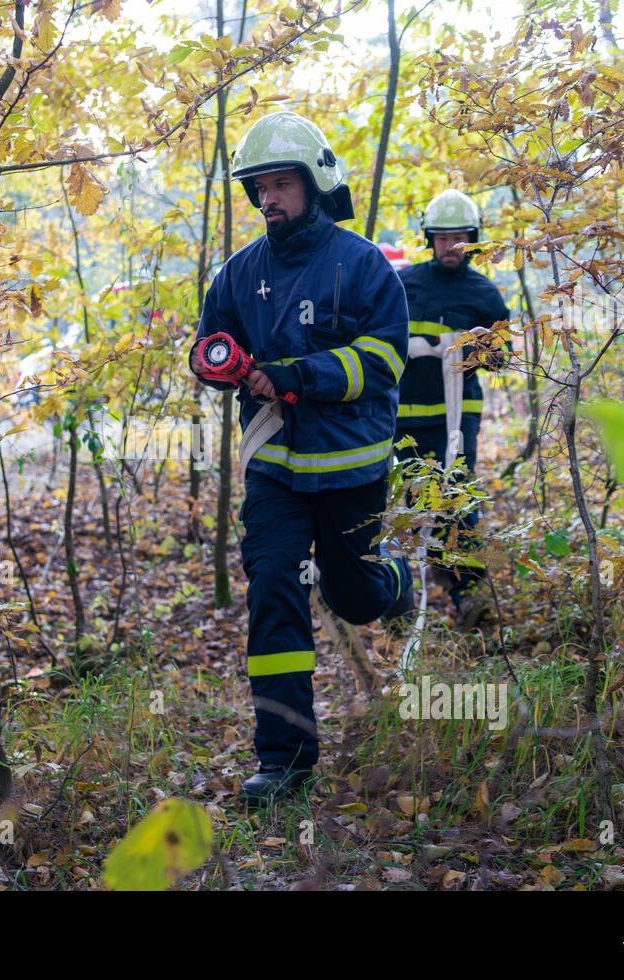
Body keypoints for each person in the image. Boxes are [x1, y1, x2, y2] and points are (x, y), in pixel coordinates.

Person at [187, 111, 412, 806]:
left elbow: (382, 361)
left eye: (281, 184)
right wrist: (215, 365)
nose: (269, 200)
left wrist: (297, 376)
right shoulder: (237, 273)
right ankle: (284, 760)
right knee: (274, 596)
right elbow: (209, 345)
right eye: (259, 188)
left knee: (351, 596)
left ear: (315, 186)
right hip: (275, 469)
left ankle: (392, 584)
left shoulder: (364, 265)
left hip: (352, 468)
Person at [394, 188, 511, 630]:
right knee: (409, 502)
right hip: (404, 418)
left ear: (473, 239)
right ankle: (402, 597)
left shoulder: (483, 293)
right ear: (430, 239)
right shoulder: (403, 284)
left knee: (457, 501)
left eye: (459, 237)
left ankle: (469, 596)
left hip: (458, 418)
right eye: (442, 238)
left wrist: (475, 349)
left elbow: (503, 356)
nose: (450, 246)